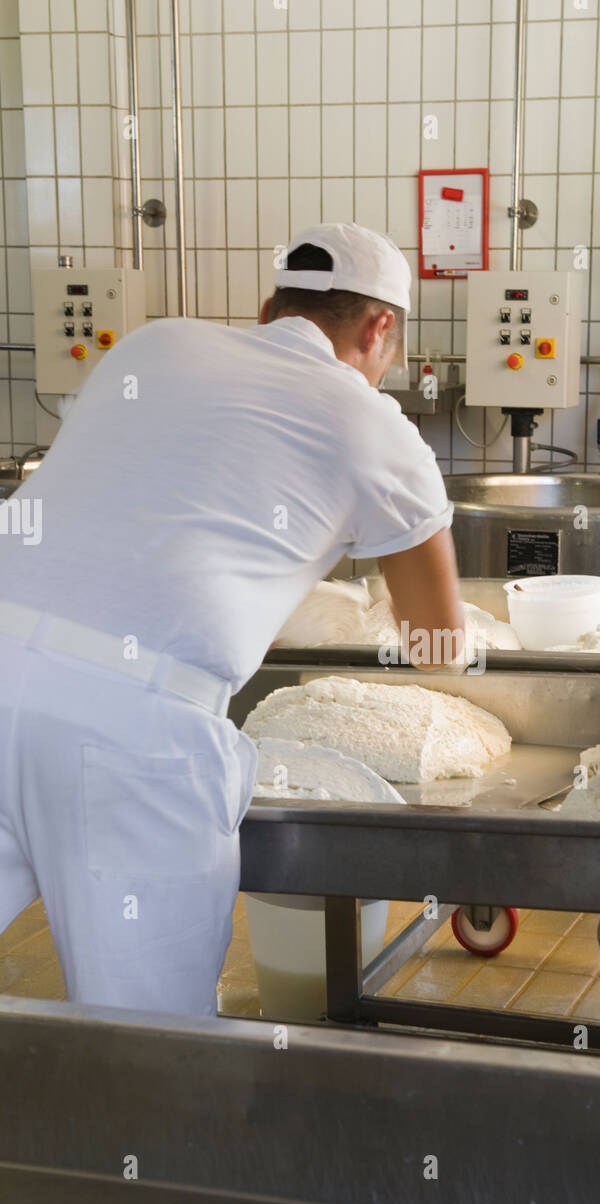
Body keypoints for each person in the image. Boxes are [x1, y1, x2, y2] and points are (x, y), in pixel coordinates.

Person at [0, 222, 463, 1016]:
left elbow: (143, 505)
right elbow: (438, 647)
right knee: (148, 1041)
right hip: (127, 735)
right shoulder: (375, 425)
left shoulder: (154, 345)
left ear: (267, 307)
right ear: (380, 326)